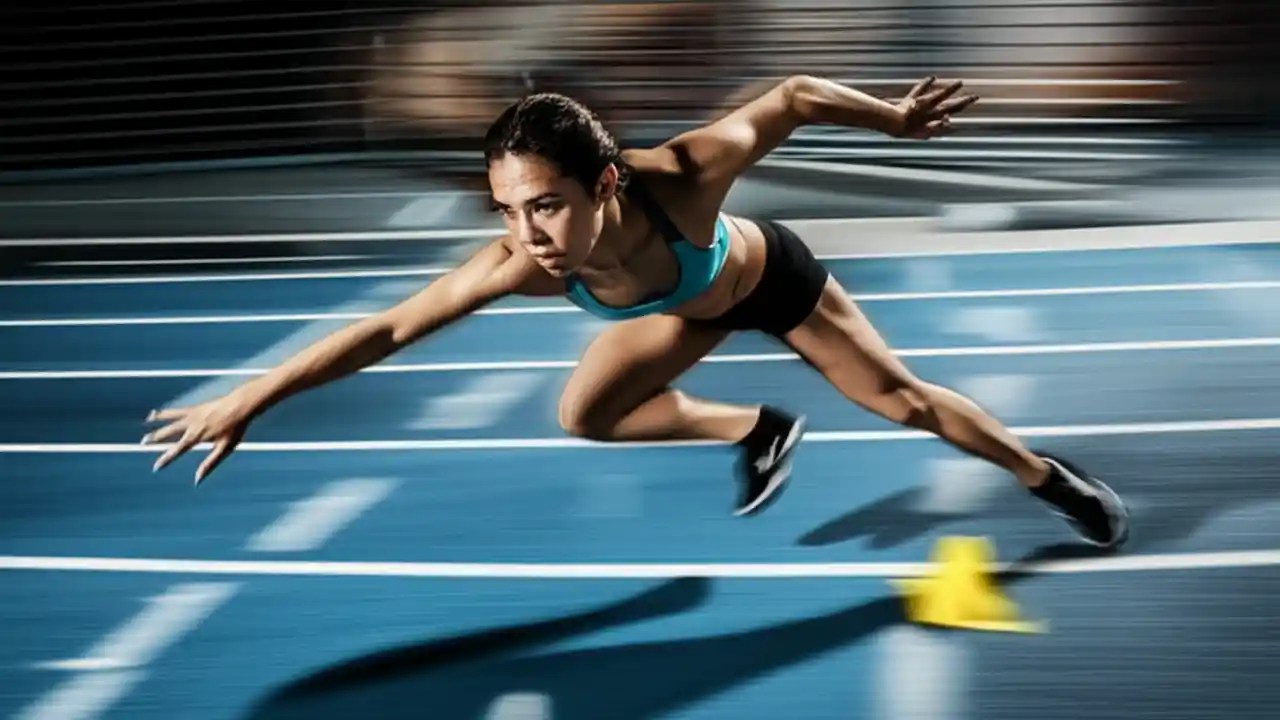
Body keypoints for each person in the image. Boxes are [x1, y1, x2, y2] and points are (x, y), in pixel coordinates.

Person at [143, 75, 1129, 548]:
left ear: (606, 182)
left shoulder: (684, 178)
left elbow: (790, 97)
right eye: (507, 211)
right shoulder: (517, 261)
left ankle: (1047, 476)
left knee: (903, 403)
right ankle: (759, 429)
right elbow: (388, 329)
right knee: (585, 412)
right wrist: (251, 397)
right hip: (682, 313)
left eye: (546, 206)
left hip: (769, 284)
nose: (527, 235)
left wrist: (896, 120)